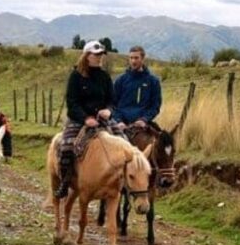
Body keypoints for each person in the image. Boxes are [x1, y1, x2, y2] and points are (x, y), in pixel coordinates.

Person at [55, 39, 118, 198]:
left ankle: (122, 183)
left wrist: (109, 111)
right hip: (79, 120)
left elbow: (111, 100)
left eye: (101, 55)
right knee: (66, 147)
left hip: (103, 120)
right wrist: (85, 119)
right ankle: (65, 182)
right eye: (96, 55)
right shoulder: (75, 77)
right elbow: (72, 103)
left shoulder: (105, 77)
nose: (99, 58)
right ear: (87, 56)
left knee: (124, 142)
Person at [112, 45, 161, 131]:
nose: (133, 61)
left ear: (142, 58)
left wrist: (144, 119)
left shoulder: (153, 81)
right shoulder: (120, 80)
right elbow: (113, 105)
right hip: (121, 125)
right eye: (131, 58)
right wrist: (119, 121)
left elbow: (155, 106)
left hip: (143, 125)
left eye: (136, 58)